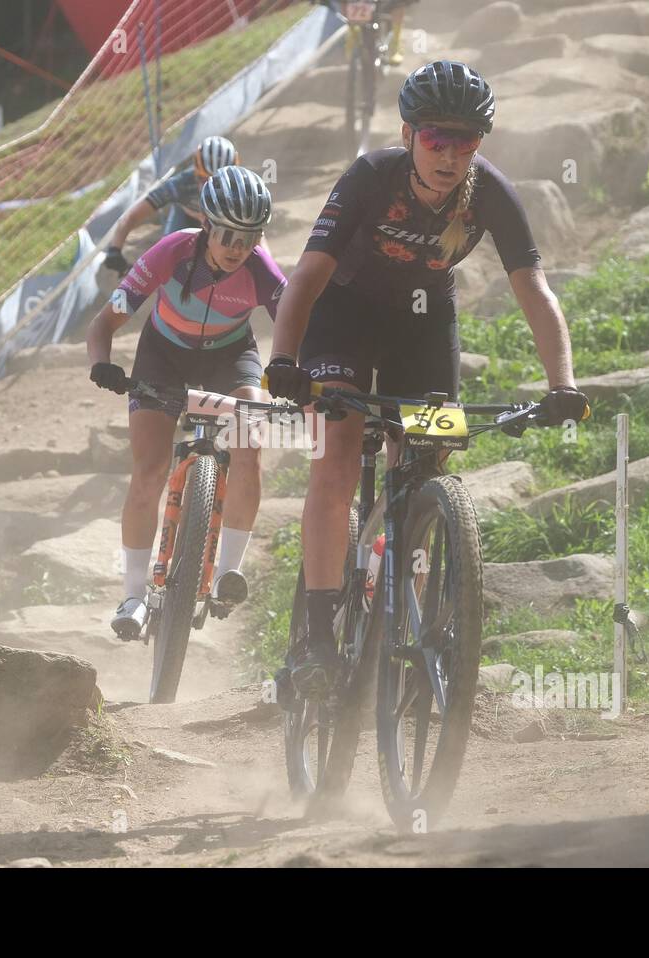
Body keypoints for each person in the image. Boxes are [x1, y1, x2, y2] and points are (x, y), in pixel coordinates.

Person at [262, 60, 591, 693]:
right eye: (436, 137)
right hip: (344, 314)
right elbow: (306, 276)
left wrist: (563, 385)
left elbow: (534, 288)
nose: (449, 153)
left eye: (465, 140)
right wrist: (283, 361)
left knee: (428, 462)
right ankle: (318, 638)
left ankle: (403, 621)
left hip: (422, 319)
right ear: (408, 132)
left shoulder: (489, 192)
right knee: (335, 459)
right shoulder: (370, 177)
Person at [85, 166, 287, 639]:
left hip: (232, 356)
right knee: (149, 472)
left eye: (250, 237)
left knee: (249, 442)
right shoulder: (172, 252)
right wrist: (102, 364)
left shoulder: (261, 269)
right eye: (230, 236)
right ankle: (133, 594)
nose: (239, 248)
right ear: (207, 226)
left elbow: (299, 331)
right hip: (164, 356)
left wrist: (300, 373)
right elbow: (103, 324)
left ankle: (226, 576)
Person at [101, 136, 240, 278]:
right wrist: (115, 250)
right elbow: (132, 216)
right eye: (204, 180)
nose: (211, 188)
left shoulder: (241, 187)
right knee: (167, 257)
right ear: (195, 174)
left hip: (221, 221)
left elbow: (253, 232)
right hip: (187, 216)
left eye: (219, 184)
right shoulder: (180, 184)